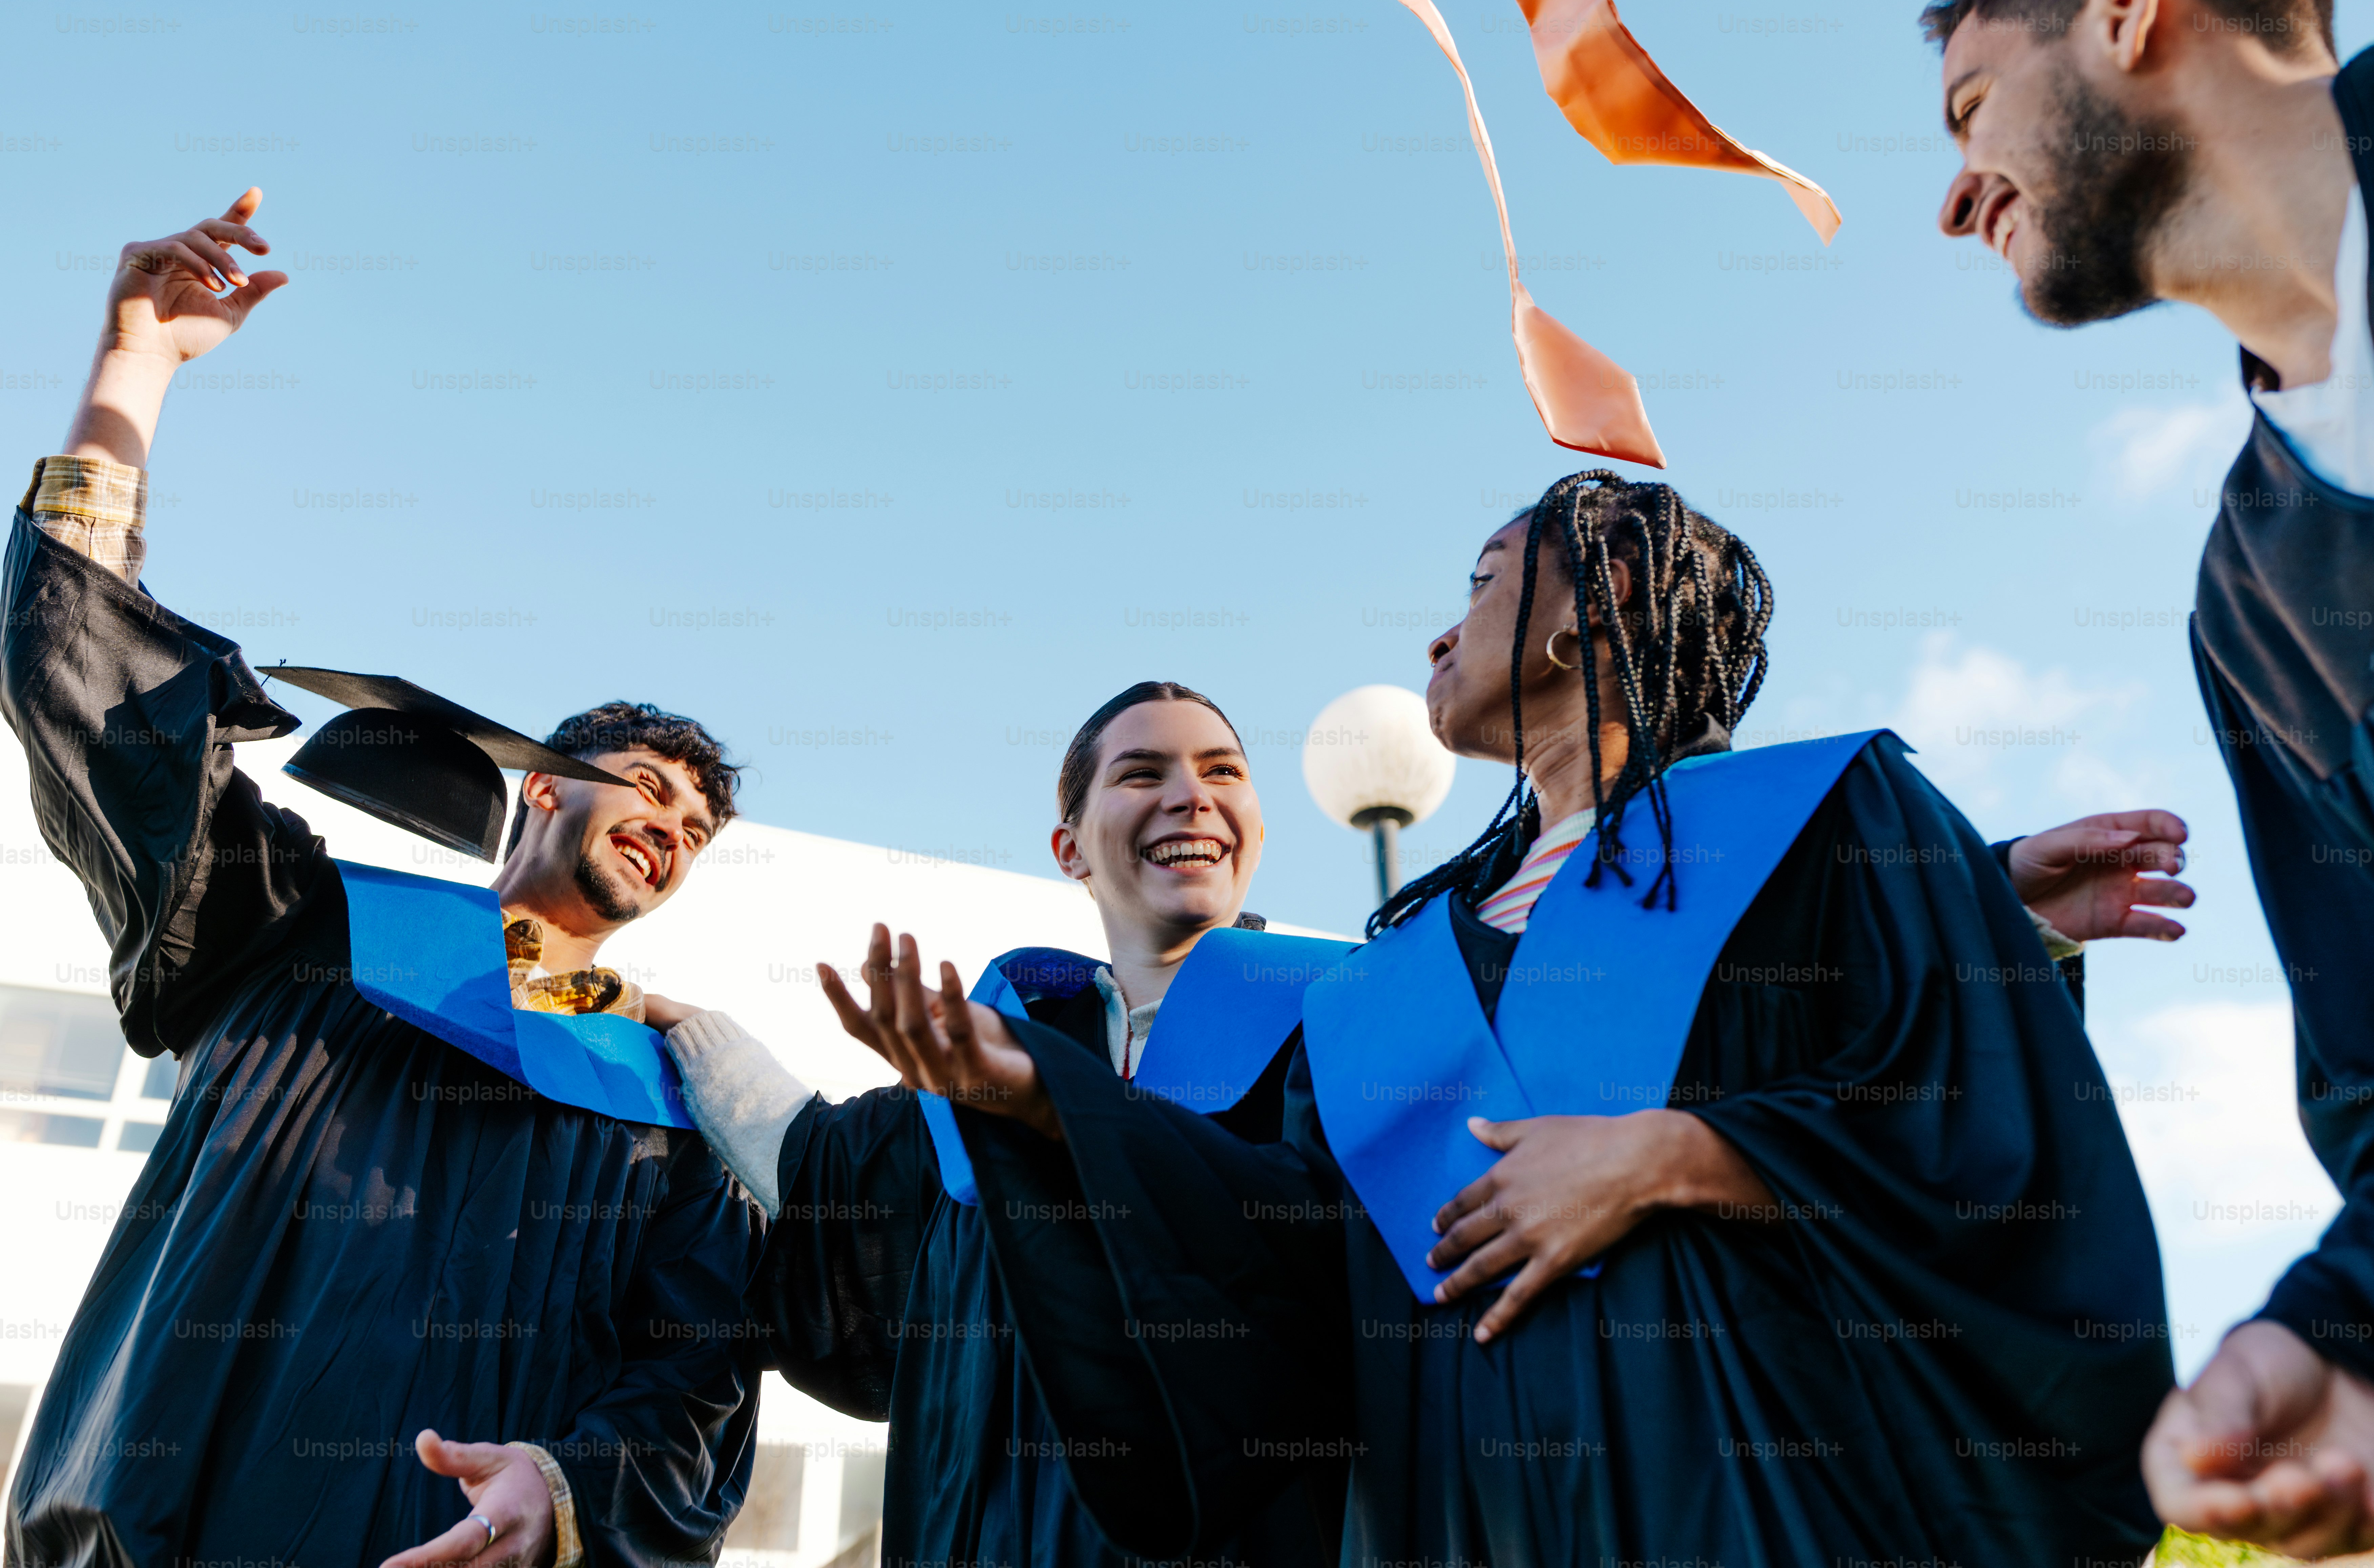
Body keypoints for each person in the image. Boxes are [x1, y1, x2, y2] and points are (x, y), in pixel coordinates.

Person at [836, 472, 2186, 1568]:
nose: (1440, 632)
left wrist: (1685, 1154)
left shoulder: (1819, 820)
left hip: (1752, 1489)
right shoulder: (1387, 972)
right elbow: (1284, 1260)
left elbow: (1974, 1131)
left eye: (1480, 583)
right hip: (1453, 1508)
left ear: (1609, 598)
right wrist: (1053, 1106)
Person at [3, 191, 764, 1568]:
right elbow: (98, 697)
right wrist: (135, 370)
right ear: (544, 782)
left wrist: (571, 1480)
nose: (674, 823)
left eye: (700, 825)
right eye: (649, 785)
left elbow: (694, 1381)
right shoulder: (304, 935)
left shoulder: (672, 1117)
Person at [1921, 0, 2374, 1553]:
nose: (1953, 195)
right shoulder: (2252, 613)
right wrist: (2342, 1339)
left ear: (2124, 8)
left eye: (1972, 107)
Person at [649, 680, 1351, 1568]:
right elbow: (818, 1170)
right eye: (1143, 773)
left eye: (1224, 771)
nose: (1192, 794)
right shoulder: (984, 1067)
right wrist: (670, 1021)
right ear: (1071, 850)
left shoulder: (1333, 1037)